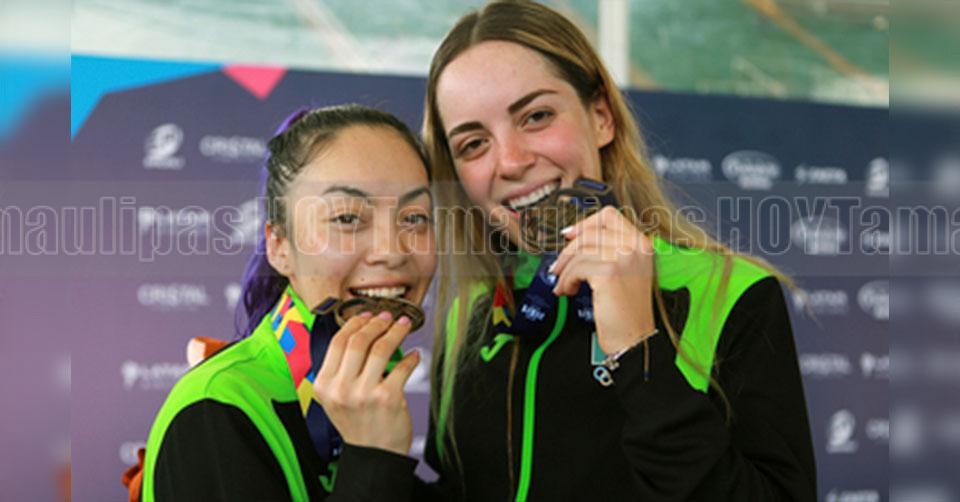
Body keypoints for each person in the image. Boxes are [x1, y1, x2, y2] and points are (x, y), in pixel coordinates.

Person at [320, 1, 818, 501]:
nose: (510, 162)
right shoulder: (474, 306)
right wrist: (372, 459)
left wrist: (639, 352)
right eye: (473, 144)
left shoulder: (731, 292)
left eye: (536, 116)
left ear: (600, 117)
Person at [138, 104, 437, 501]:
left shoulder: (375, 394)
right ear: (280, 246)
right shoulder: (215, 410)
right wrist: (372, 460)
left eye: (415, 218)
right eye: (347, 218)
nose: (392, 251)